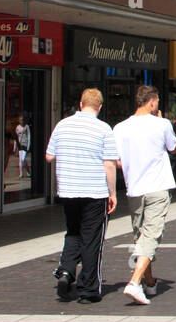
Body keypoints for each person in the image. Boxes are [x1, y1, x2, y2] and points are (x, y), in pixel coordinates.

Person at [46, 88, 120, 303]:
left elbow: (49, 156)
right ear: (100, 107)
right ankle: (88, 289)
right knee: (92, 239)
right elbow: (109, 164)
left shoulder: (62, 125)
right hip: (94, 192)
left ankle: (67, 270)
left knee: (73, 232)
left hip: (68, 190)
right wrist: (113, 193)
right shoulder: (103, 129)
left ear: (80, 104)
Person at [113, 85, 176, 305]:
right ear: (151, 102)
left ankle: (149, 283)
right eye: (157, 102)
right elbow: (174, 148)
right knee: (151, 236)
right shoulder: (162, 124)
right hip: (158, 187)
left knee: (141, 236)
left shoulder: (120, 128)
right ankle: (134, 281)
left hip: (134, 189)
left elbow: (117, 161)